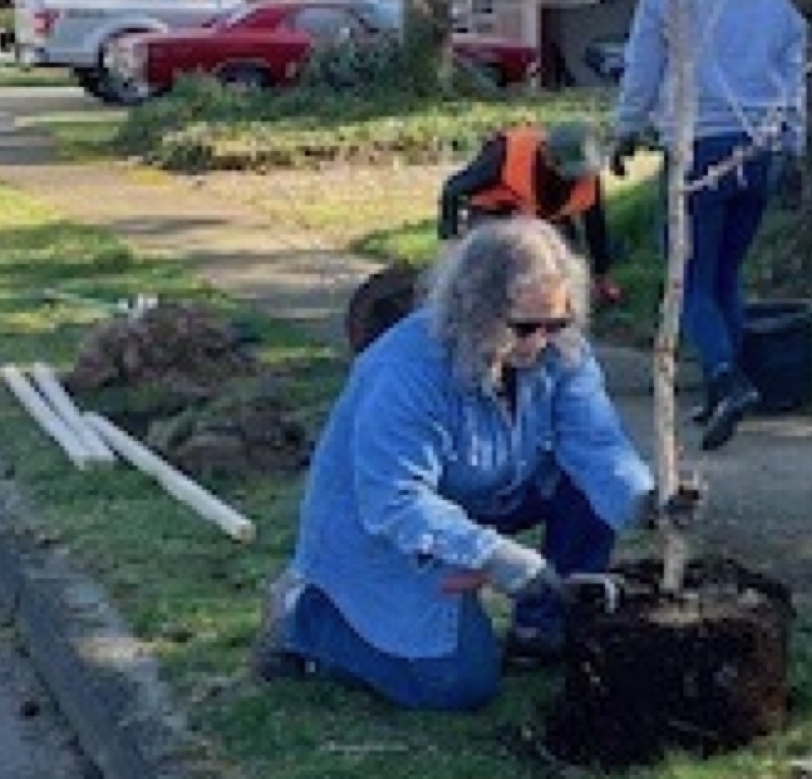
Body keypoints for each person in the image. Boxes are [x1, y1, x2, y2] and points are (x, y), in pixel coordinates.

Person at [258, 217, 663, 712]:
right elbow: (396, 501)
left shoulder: (561, 350)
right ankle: (307, 617)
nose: (540, 343)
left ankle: (544, 626)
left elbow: (597, 446)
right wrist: (494, 558)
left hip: (487, 491)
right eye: (524, 328)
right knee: (457, 684)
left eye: (555, 324)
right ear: (478, 310)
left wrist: (647, 502)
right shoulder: (407, 372)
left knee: (585, 481)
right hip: (377, 525)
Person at [612, 0, 808, 452]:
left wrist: (626, 130)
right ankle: (725, 384)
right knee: (727, 274)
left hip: (698, 148)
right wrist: (793, 140)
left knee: (691, 278)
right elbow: (795, 76)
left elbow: (643, 71)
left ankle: (725, 379)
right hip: (757, 148)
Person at [433, 119, 619, 302]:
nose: (579, 180)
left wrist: (601, 275)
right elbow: (453, 189)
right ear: (548, 156)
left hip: (544, 215)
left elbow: (596, 226)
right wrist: (449, 238)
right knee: (497, 267)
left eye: (581, 173)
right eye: (572, 173)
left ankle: (551, 303)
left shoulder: (586, 173)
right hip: (496, 214)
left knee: (565, 263)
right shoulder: (504, 155)